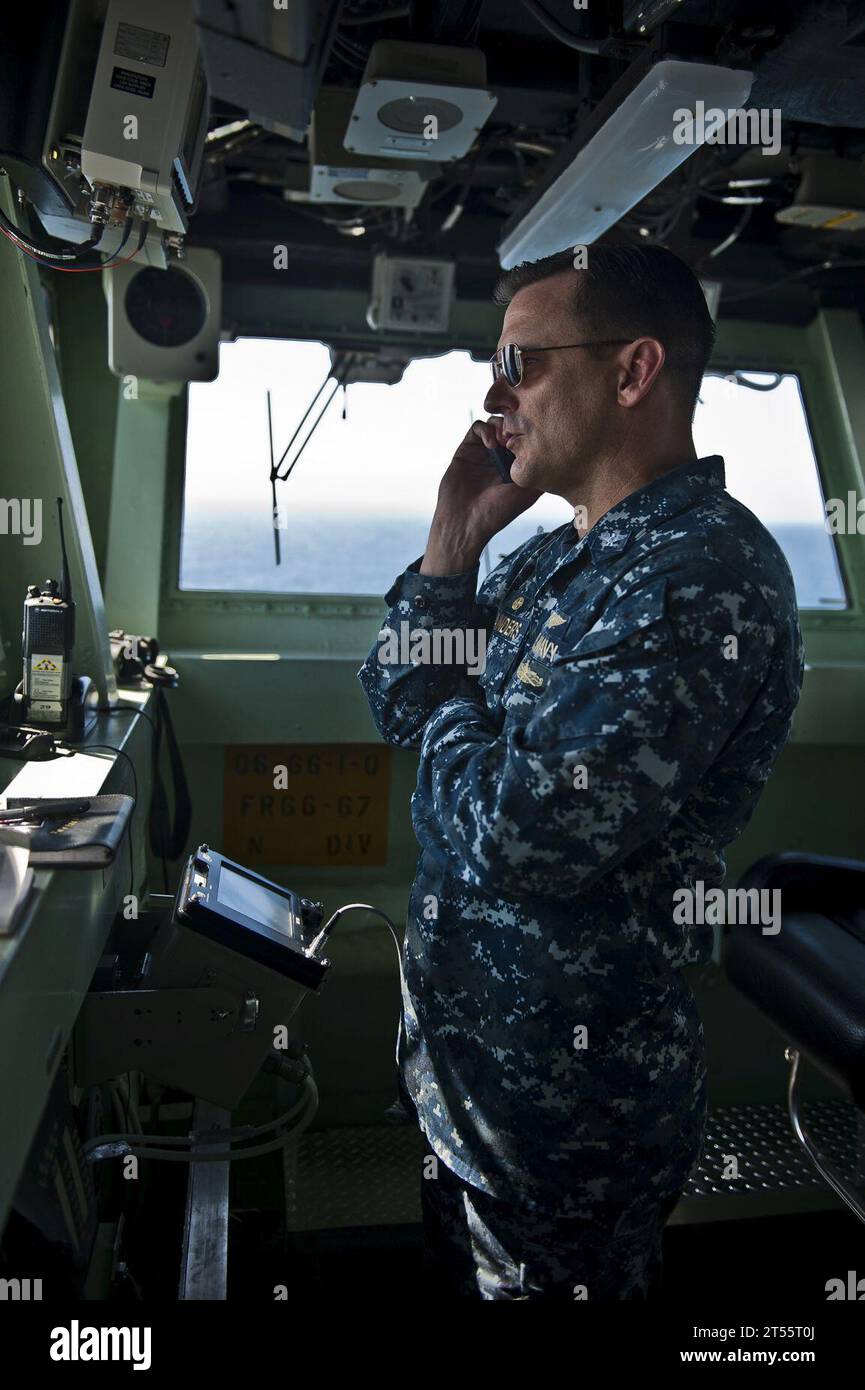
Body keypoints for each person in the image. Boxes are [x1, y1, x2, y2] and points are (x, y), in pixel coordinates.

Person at [358, 244, 804, 1300]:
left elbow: (523, 834)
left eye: (520, 360)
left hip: (567, 1116)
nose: (493, 394)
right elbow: (389, 693)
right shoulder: (557, 553)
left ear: (632, 371)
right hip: (466, 1076)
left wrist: (455, 702)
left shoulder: (702, 576)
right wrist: (448, 551)